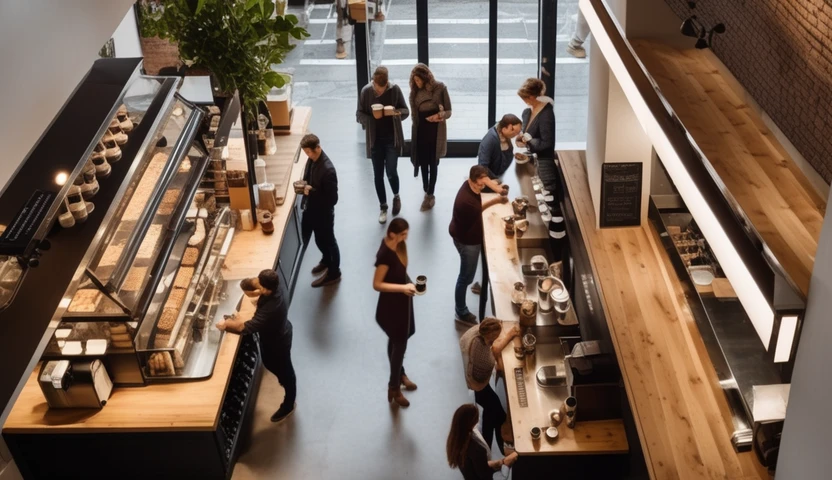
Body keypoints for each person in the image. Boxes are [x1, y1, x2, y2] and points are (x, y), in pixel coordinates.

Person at [216, 270, 296, 423]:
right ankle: (282, 377)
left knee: (286, 372)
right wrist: (253, 286)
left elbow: (244, 328)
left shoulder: (270, 309)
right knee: (268, 363)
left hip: (278, 343)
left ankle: (289, 404)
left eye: (260, 285)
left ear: (266, 289)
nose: (257, 284)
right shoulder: (274, 284)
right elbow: (247, 283)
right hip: (275, 335)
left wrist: (225, 325)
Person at [449, 165, 508, 326]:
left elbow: (487, 180)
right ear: (472, 180)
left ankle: (478, 285)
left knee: (474, 269)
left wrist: (497, 188)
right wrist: (497, 198)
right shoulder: (466, 202)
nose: (483, 186)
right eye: (480, 185)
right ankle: (460, 311)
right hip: (467, 241)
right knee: (465, 277)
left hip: (468, 234)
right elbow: (480, 208)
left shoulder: (471, 182)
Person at [372, 218, 418, 407]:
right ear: (392, 234)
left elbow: (401, 271)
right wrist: (402, 288)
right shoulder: (384, 256)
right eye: (403, 234)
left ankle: (400, 374)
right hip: (392, 305)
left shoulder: (399, 246)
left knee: (397, 341)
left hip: (402, 301)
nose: (406, 238)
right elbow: (377, 285)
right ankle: (394, 387)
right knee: (399, 344)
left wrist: (410, 283)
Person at [357, 66, 410, 224]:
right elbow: (359, 114)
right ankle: (383, 207)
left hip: (391, 139)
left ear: (387, 83)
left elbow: (405, 110)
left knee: (392, 171)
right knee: (378, 175)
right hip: (375, 140)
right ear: (373, 81)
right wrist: (372, 119)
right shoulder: (366, 91)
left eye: (382, 88)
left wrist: (395, 113)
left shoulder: (394, 90)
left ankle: (396, 196)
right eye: (377, 87)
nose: (379, 90)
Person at [459, 318, 519, 455]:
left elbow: (495, 341)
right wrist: (510, 335)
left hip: (474, 382)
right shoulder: (484, 357)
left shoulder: (478, 331)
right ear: (489, 339)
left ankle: (486, 447)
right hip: (479, 385)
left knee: (491, 412)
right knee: (499, 414)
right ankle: (498, 447)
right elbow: (500, 366)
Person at [300, 133, 342, 287]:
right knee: (318, 239)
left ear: (318, 147)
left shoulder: (328, 170)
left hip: (323, 213)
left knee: (329, 241)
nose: (308, 155)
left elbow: (333, 200)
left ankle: (334, 272)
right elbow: (308, 177)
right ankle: (326, 260)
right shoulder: (312, 160)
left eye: (309, 152)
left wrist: (312, 191)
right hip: (312, 208)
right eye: (306, 153)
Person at [409, 63, 452, 211]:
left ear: (426, 78)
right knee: (423, 161)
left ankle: (430, 193)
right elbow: (414, 116)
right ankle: (425, 187)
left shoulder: (440, 88)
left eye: (419, 80)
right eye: (415, 81)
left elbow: (449, 111)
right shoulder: (413, 93)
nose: (417, 83)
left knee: (433, 162)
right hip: (421, 130)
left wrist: (438, 115)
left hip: (435, 130)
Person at [447, 404, 518, 479]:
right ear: (474, 421)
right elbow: (489, 477)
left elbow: (477, 466)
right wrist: (506, 465)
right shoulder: (477, 450)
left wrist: (498, 463)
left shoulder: (456, 441)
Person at [477, 113, 523, 186]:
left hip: (503, 175)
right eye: (514, 132)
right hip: (493, 180)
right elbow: (482, 166)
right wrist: (498, 181)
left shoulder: (504, 134)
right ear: (504, 129)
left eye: (518, 132)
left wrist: (514, 155)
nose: (516, 135)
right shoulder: (490, 139)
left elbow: (501, 155)